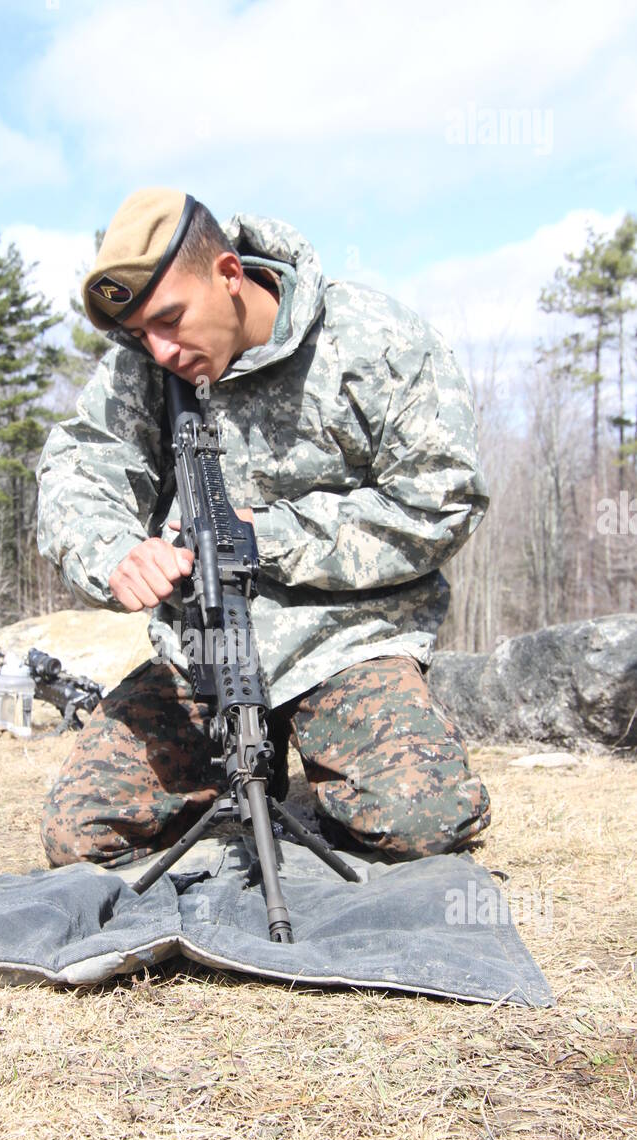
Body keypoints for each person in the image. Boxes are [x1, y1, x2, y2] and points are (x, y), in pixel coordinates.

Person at [36, 187, 491, 868]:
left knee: (424, 822)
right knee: (81, 833)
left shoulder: (376, 342)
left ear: (228, 274)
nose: (159, 351)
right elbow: (80, 468)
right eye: (140, 337)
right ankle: (253, 766)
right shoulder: (145, 367)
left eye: (170, 319)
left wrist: (266, 536)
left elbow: (440, 500)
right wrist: (116, 552)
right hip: (202, 653)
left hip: (342, 646)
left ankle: (384, 723)